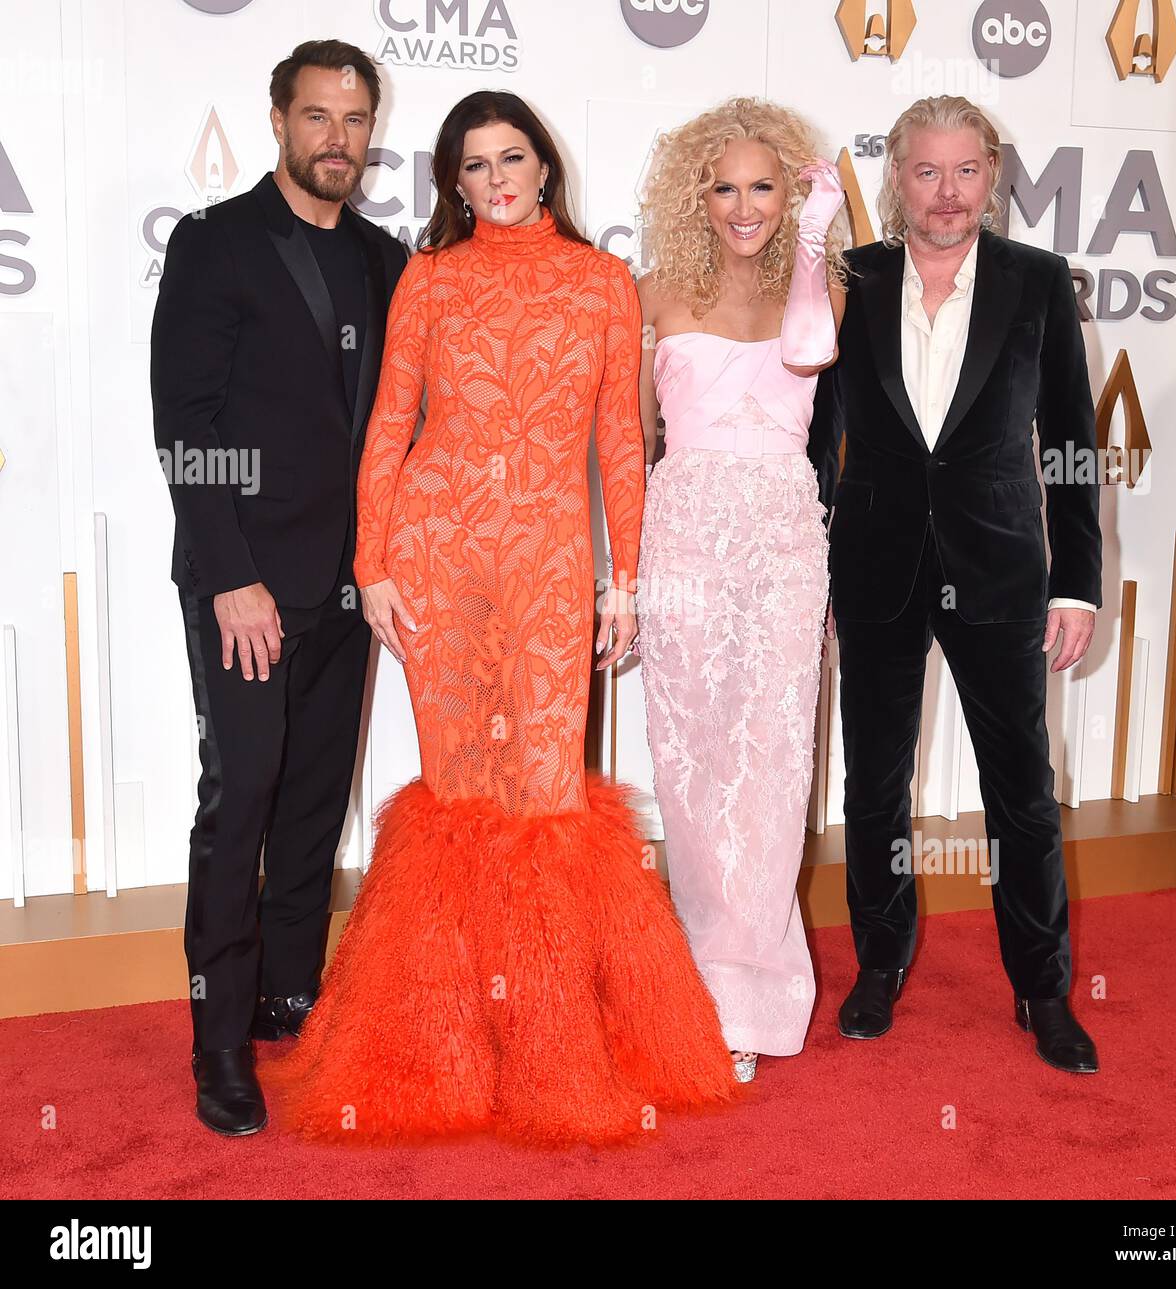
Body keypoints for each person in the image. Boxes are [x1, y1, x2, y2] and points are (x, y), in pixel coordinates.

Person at [257, 91, 740, 1147]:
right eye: (471, 168)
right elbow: (389, 423)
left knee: (545, 795)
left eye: (509, 157)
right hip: (439, 558)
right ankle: (442, 1045)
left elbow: (621, 439)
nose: (494, 181)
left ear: (544, 163)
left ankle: (549, 1042)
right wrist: (371, 561)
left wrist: (627, 580)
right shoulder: (428, 277)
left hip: (554, 568)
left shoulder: (601, 281)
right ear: (452, 183)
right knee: (460, 798)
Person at [810, 95, 1103, 1073]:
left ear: (992, 176)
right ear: (895, 176)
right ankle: (879, 966)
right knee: (875, 784)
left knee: (1020, 789)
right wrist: (807, 565)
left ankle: (1041, 987)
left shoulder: (1037, 281)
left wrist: (1079, 583)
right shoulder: (851, 278)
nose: (947, 193)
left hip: (1001, 570)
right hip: (875, 565)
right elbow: (816, 439)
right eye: (926, 171)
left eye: (966, 171)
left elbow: (1068, 437)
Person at [150, 39, 408, 1136]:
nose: (337, 140)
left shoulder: (388, 259)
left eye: (354, 121)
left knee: (312, 804)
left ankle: (289, 1000)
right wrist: (232, 579)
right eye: (317, 118)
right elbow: (185, 429)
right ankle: (218, 1042)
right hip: (246, 585)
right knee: (242, 793)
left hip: (347, 587)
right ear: (278, 121)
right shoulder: (218, 245)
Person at [634, 98, 847, 1082]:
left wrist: (816, 235)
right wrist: (622, 576)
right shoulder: (653, 295)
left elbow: (806, 349)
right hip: (683, 537)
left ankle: (755, 997)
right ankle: (698, 982)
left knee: (769, 771)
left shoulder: (821, 291)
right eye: (724, 185)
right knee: (691, 768)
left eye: (764, 184)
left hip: (782, 543)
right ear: (696, 194)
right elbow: (632, 445)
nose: (742, 204)